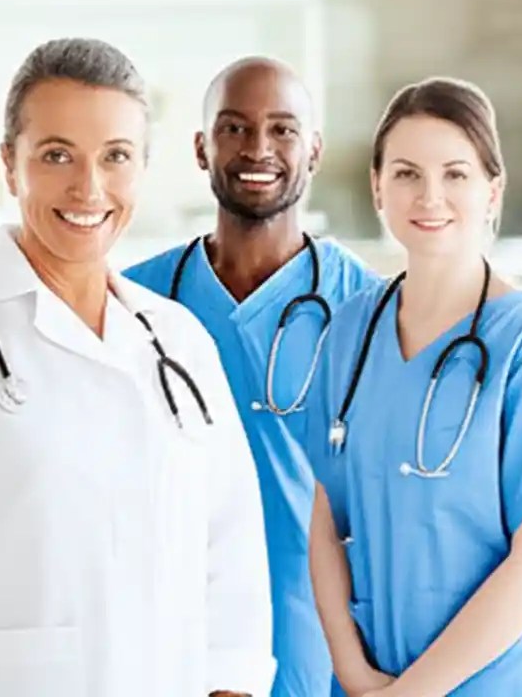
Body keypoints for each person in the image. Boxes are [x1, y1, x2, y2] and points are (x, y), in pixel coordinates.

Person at [0, 37, 274, 697]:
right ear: (10, 165)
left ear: (143, 167)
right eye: (57, 155)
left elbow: (232, 556)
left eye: (116, 157)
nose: (88, 188)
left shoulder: (177, 342)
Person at [305, 76, 522, 696]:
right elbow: (321, 518)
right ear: (377, 187)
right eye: (407, 173)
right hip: (373, 674)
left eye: (456, 174)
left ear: (493, 190)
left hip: (500, 680)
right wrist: (352, 670)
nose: (430, 196)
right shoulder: (350, 334)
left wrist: (411, 692)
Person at [125, 56, 379, 696]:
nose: (258, 149)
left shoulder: (371, 310)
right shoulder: (135, 303)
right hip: (171, 634)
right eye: (234, 128)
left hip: (321, 640)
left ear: (314, 150)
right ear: (200, 149)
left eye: (283, 130)